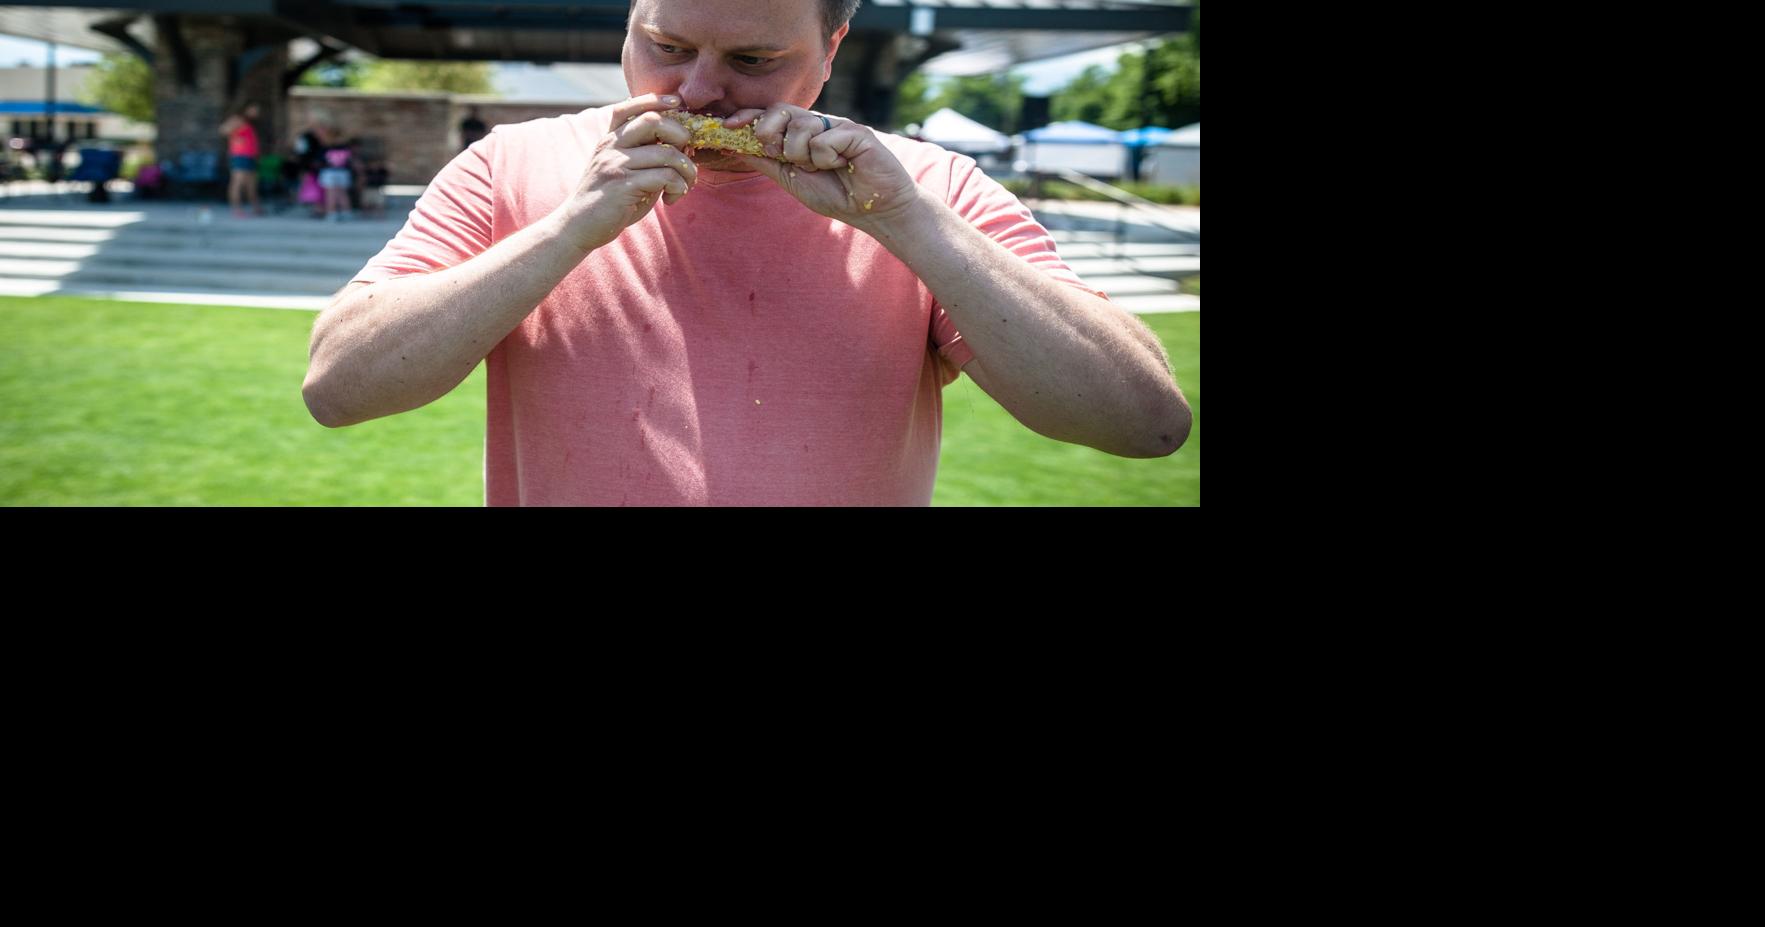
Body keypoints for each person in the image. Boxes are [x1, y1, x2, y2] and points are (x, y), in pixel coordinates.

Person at [304, 0, 1191, 506]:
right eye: (665, 45)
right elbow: (340, 389)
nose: (695, 89)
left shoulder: (927, 187)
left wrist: (908, 226)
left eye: (753, 58)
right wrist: (569, 228)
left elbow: (1143, 423)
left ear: (831, 48)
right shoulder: (513, 165)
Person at [220, 102, 263, 218]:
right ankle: (236, 209)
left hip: (250, 156)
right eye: (254, 109)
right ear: (247, 109)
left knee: (251, 184)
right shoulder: (238, 120)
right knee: (237, 183)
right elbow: (223, 130)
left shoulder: (250, 123)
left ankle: (256, 208)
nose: (256, 112)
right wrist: (235, 136)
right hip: (240, 156)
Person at [317, 130, 357, 222]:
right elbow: (350, 161)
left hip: (330, 172)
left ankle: (332, 214)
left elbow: (320, 162)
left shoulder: (325, 148)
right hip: (343, 172)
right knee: (342, 193)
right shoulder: (346, 148)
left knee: (331, 193)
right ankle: (346, 213)